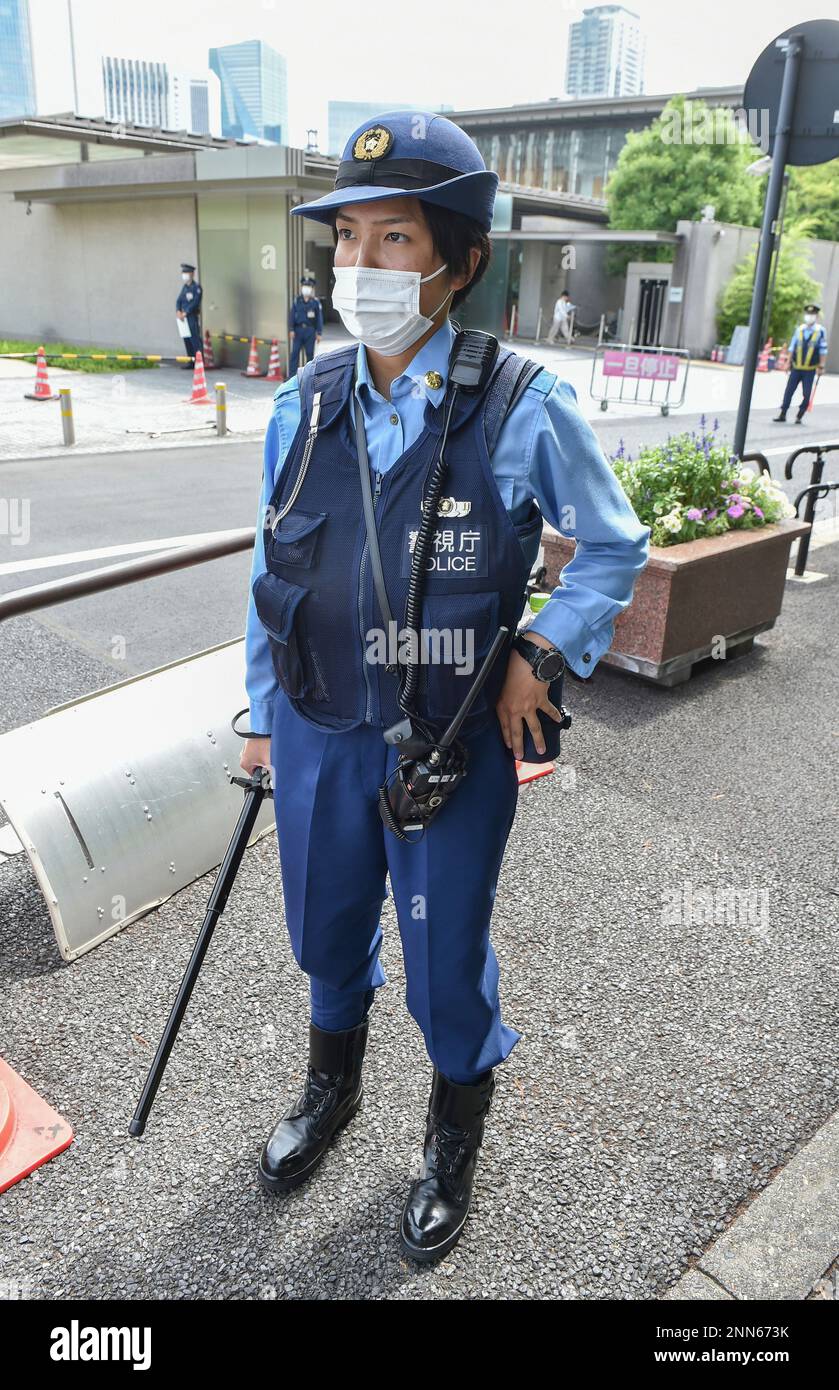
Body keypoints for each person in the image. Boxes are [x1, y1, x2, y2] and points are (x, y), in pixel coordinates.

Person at [240, 111, 650, 1263]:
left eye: (396, 241)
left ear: (459, 262)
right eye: (348, 242)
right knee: (322, 934)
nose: (361, 269)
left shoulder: (525, 407)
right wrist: (263, 720)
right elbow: (268, 568)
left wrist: (541, 648)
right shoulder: (299, 406)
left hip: (448, 744)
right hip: (320, 728)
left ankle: (451, 1136)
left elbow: (611, 546)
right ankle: (332, 1092)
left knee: (440, 962)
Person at [773, 303, 828, 423]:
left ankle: (800, 415)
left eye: (812, 314)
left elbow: (823, 350)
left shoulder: (820, 331)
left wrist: (821, 366)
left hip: (810, 369)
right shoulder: (799, 329)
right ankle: (783, 413)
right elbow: (792, 347)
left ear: (816, 316)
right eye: (808, 314)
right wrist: (787, 362)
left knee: (806, 393)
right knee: (789, 391)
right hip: (796, 367)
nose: (809, 316)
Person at [288, 274, 323, 374]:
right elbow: (292, 315)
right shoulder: (297, 301)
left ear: (312, 289)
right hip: (298, 331)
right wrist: (291, 329)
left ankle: (308, 377)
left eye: (308, 286)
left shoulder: (315, 303)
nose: (306, 288)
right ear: (301, 287)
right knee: (294, 353)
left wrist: (319, 333)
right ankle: (292, 376)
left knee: (309, 355)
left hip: (310, 331)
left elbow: (319, 318)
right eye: (304, 286)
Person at [176, 263, 203, 366]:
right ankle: (191, 361)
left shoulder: (196, 288)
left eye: (186, 273)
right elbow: (179, 300)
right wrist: (178, 310)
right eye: (183, 273)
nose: (184, 275)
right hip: (183, 317)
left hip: (191, 316)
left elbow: (195, 302)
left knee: (194, 339)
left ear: (192, 274)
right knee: (186, 339)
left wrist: (186, 312)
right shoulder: (185, 287)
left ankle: (199, 361)